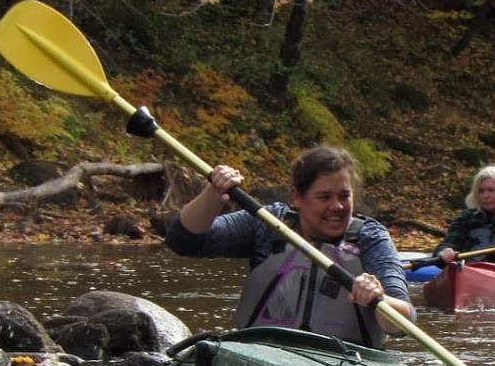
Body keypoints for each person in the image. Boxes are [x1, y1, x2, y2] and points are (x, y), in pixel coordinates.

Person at [164, 144, 416, 348]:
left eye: (344, 196)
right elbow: (183, 241)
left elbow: (404, 322)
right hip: (264, 352)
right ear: (297, 197)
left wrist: (379, 298)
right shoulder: (268, 223)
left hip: (348, 361)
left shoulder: (370, 237)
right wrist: (213, 193)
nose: (337, 207)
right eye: (324, 197)